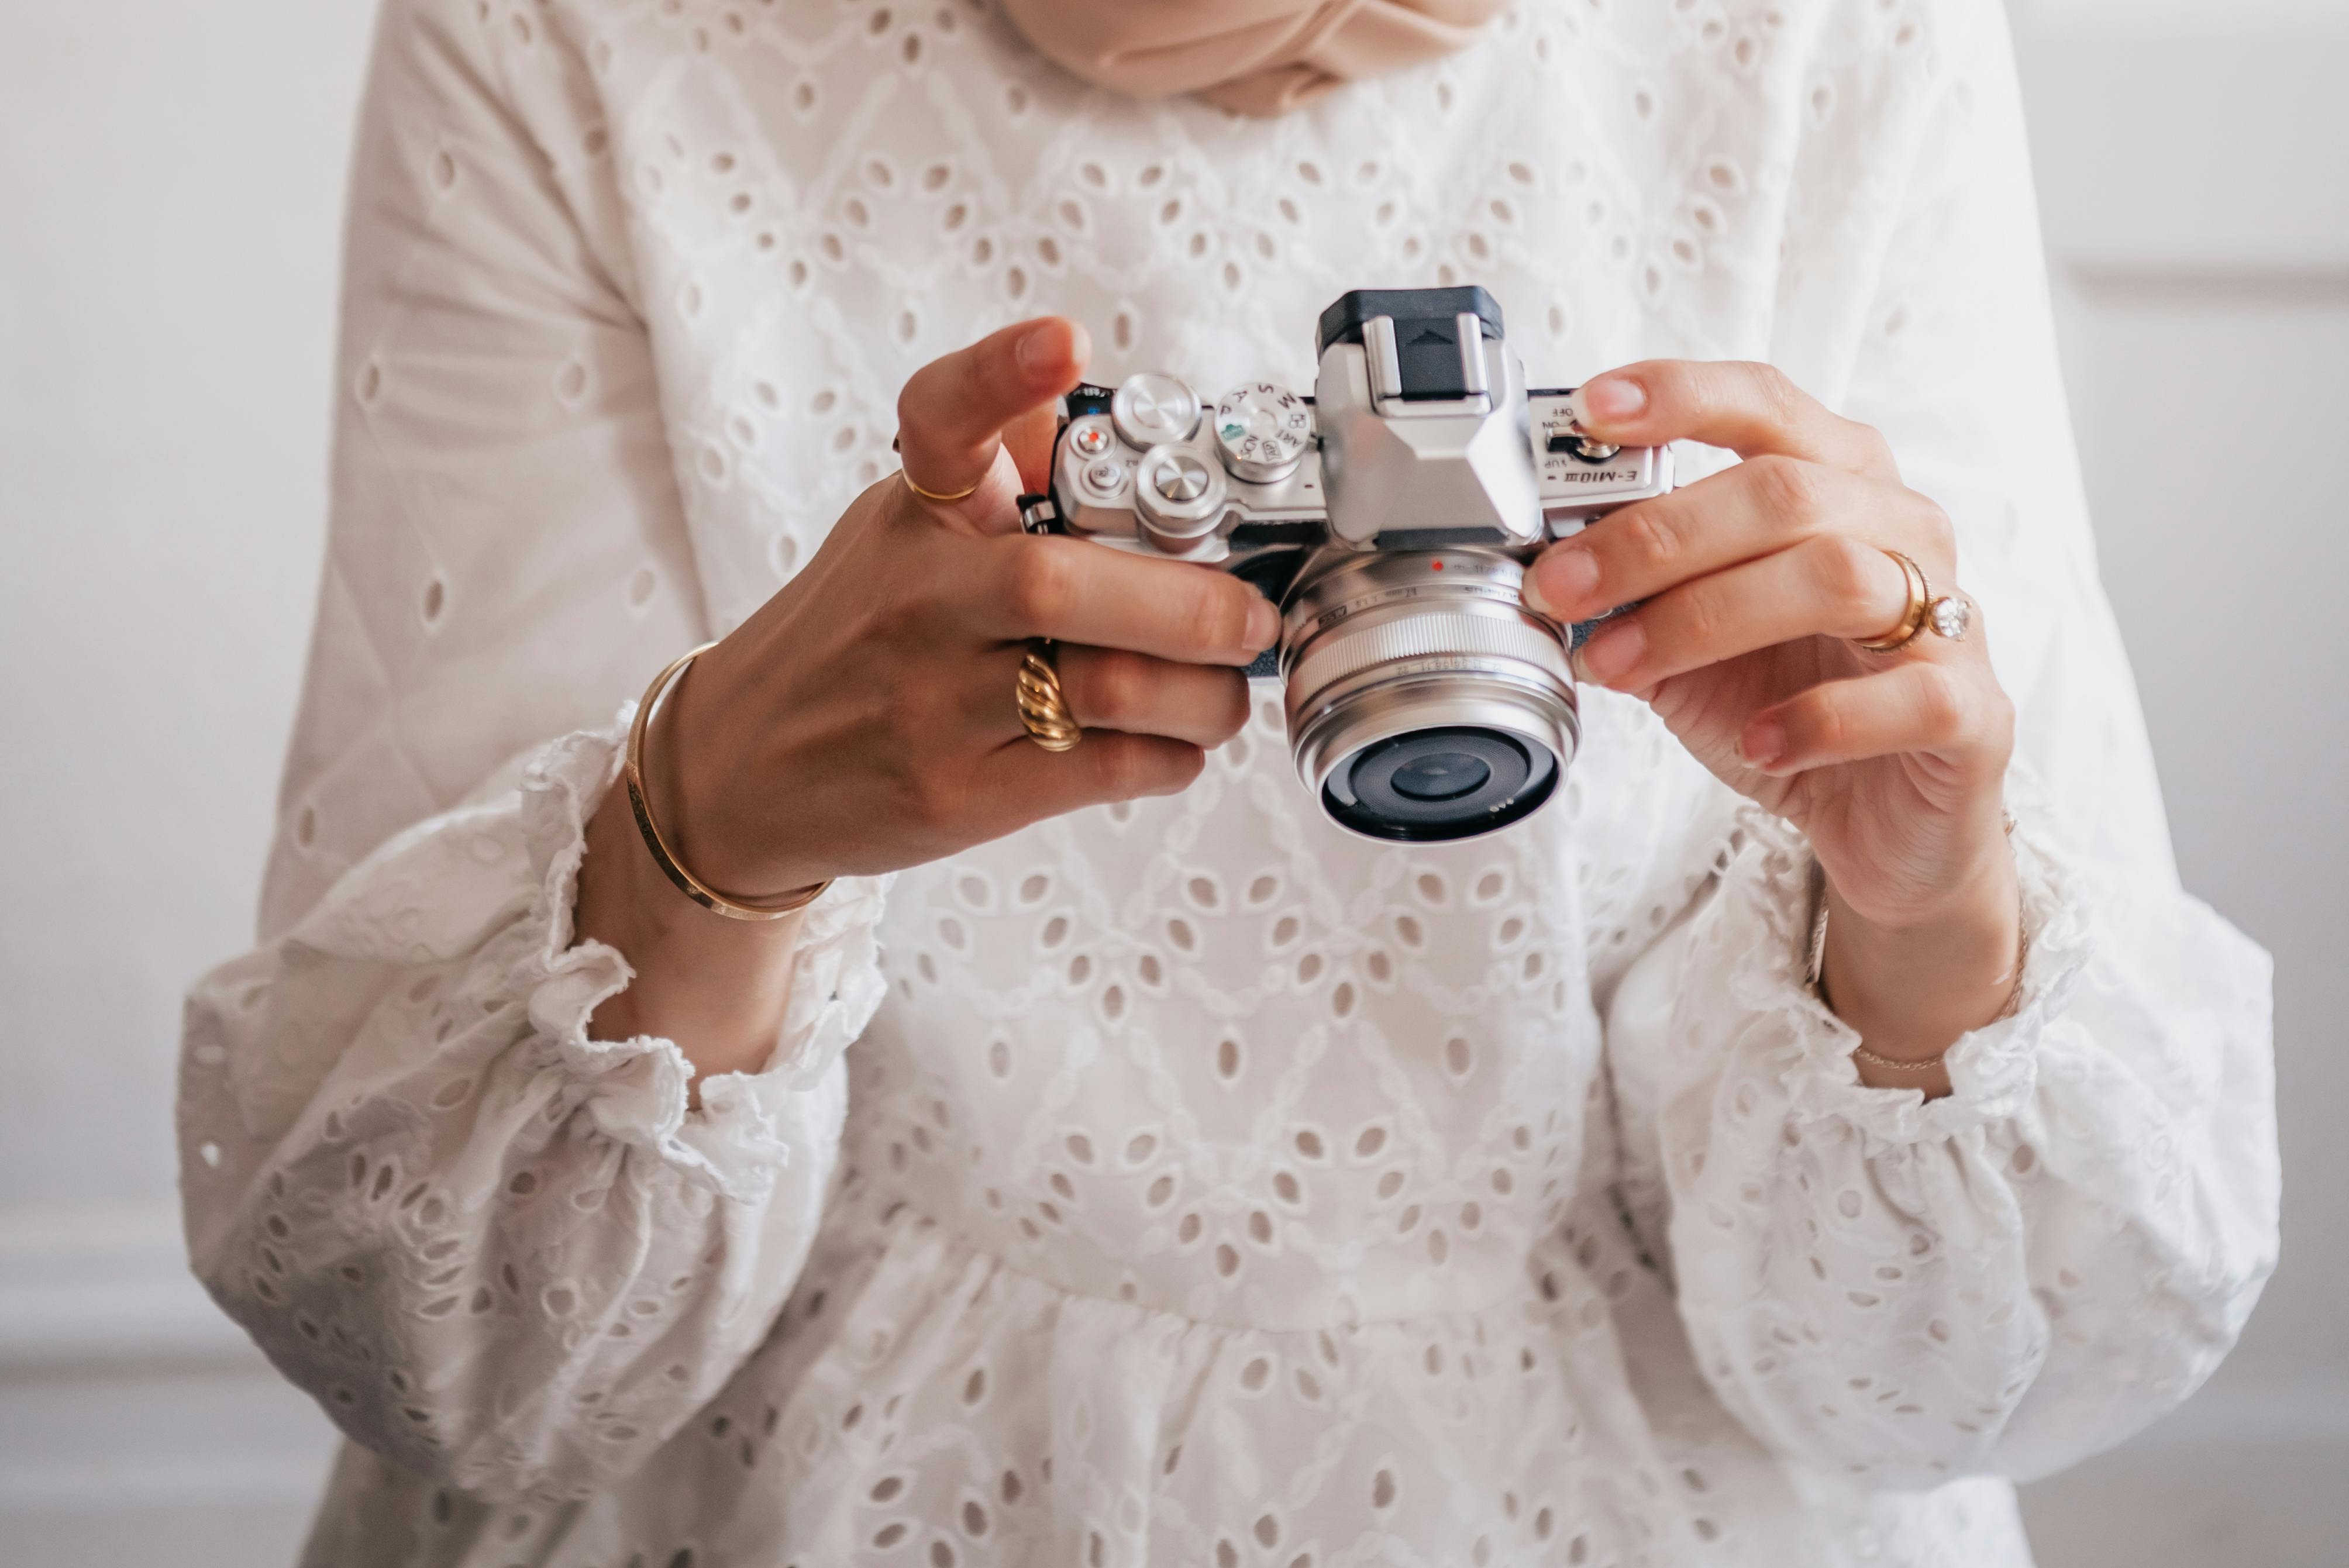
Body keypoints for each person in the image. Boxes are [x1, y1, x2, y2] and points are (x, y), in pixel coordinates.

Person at [178, 1, 2278, 1562]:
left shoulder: (1844, 29)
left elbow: (1964, 1371)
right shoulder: (570, 33)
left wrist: (1920, 911)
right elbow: (445, 1349)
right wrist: (706, 827)